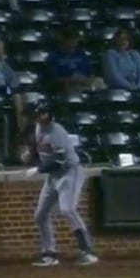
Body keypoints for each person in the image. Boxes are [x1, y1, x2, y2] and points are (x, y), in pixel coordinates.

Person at [22, 100, 97, 267]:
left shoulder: (57, 132)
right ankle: (50, 253)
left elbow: (60, 161)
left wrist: (38, 170)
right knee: (40, 214)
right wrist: (30, 154)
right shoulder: (38, 127)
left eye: (40, 113)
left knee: (67, 209)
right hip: (53, 176)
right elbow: (39, 147)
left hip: (70, 172)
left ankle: (88, 251)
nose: (38, 117)